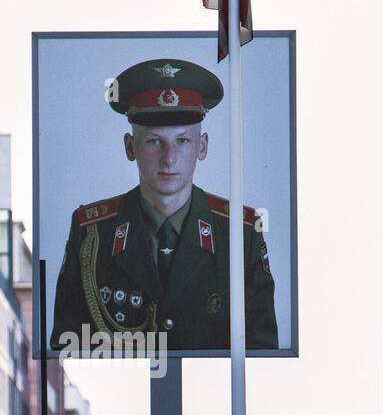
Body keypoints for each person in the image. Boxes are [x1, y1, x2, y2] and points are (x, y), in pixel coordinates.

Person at [52, 58, 278, 351]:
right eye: (154, 142)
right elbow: (66, 350)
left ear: (203, 146)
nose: (169, 158)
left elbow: (262, 355)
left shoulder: (240, 233)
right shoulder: (92, 232)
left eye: (183, 141)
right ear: (130, 147)